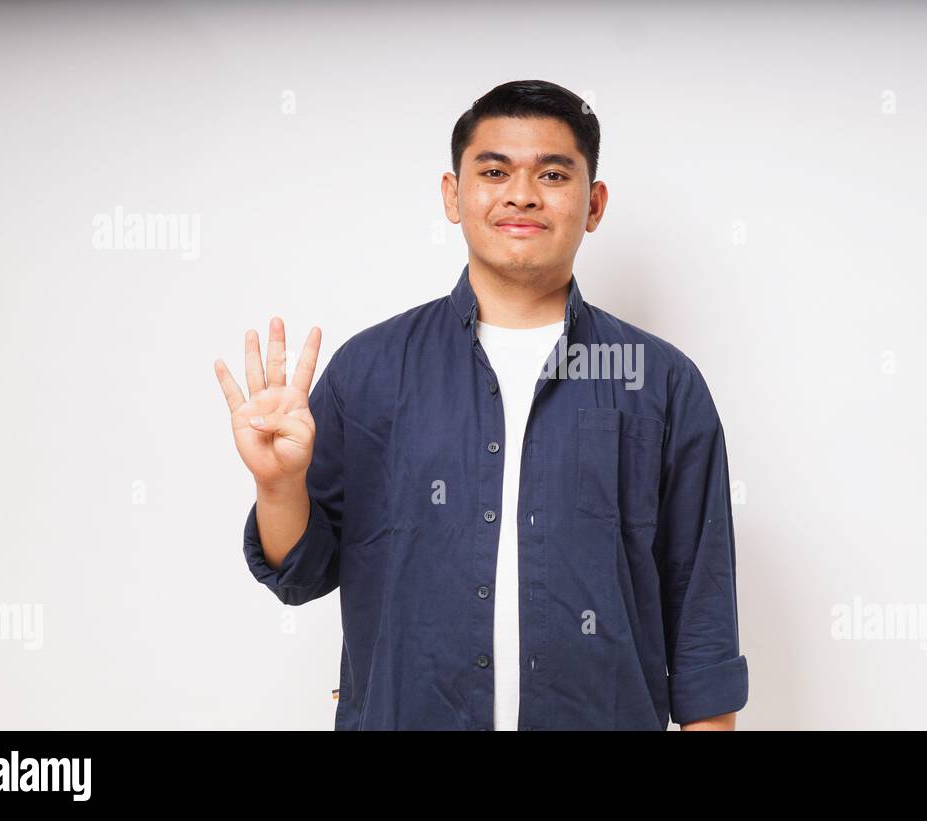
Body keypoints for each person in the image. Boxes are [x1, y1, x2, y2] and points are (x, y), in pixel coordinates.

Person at [212, 80, 747, 730]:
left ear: (595, 202)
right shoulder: (372, 371)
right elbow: (301, 572)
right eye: (495, 171)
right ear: (452, 195)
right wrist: (278, 484)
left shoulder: (661, 383)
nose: (521, 193)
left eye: (552, 173)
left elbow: (703, 628)